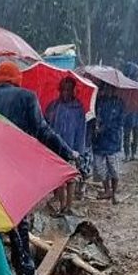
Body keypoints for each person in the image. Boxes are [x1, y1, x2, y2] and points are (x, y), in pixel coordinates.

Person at [0, 61, 78, 275]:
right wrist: (67, 152)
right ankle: (24, 270)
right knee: (17, 219)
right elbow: (42, 130)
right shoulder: (26, 97)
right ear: (16, 80)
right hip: (14, 169)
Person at [44, 77, 88, 212]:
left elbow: (81, 130)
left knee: (71, 178)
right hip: (57, 147)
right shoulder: (54, 106)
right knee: (60, 178)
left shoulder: (78, 108)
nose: (65, 93)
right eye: (63, 90)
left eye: (68, 90)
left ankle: (69, 206)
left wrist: (79, 150)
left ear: (74, 91)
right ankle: (62, 205)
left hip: (72, 147)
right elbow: (48, 126)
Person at [91, 87, 125, 203]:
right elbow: (93, 116)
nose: (107, 91)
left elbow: (120, 122)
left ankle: (114, 193)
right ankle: (107, 189)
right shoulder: (98, 101)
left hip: (113, 141)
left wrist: (106, 127)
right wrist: (96, 126)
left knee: (114, 169)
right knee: (100, 168)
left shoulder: (119, 103)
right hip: (99, 141)